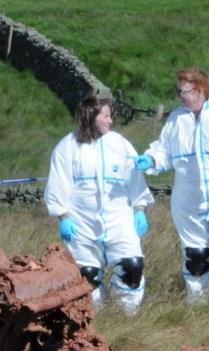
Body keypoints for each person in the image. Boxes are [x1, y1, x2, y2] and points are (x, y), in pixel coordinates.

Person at [135, 68, 209, 305]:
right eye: (178, 91)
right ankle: (199, 308)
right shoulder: (177, 119)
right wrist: (151, 159)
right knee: (196, 258)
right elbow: (165, 150)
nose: (180, 96)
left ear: (200, 90)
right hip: (188, 201)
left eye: (184, 91)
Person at [44, 94, 154, 315]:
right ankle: (98, 322)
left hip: (119, 219)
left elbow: (135, 179)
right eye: (105, 116)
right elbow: (58, 184)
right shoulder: (67, 147)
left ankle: (126, 317)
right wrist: (63, 217)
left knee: (131, 266)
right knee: (87, 276)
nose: (110, 121)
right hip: (82, 222)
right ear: (91, 116)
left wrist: (139, 208)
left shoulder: (120, 145)